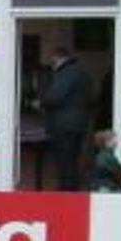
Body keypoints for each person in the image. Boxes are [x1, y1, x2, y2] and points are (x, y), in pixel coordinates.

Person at [41, 46, 95, 191]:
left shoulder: (66, 73)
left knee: (65, 163)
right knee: (72, 160)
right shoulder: (81, 72)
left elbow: (54, 97)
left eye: (53, 60)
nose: (52, 64)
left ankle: (66, 194)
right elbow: (91, 98)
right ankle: (71, 191)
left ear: (59, 57)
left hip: (64, 126)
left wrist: (41, 101)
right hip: (77, 124)